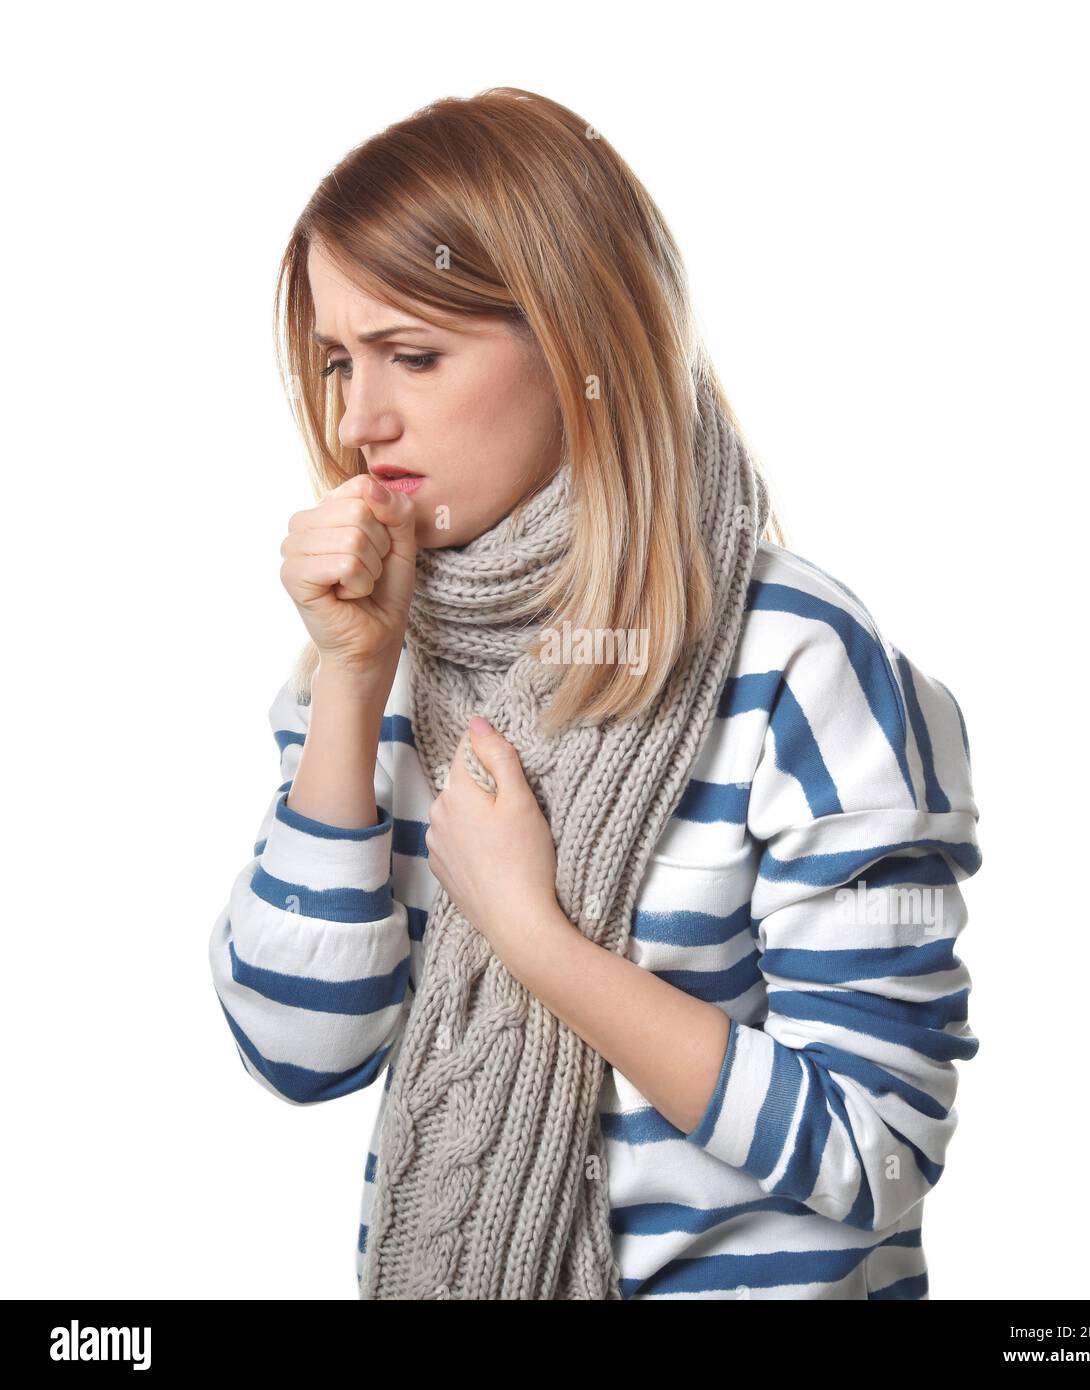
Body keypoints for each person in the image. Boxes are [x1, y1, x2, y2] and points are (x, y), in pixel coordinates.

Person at [207, 87, 982, 1300]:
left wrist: (535, 940)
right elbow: (297, 1047)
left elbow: (870, 1149)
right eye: (336, 362)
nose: (360, 419)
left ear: (583, 351)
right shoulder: (378, 655)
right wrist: (356, 676)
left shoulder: (796, 661)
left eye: (413, 354)